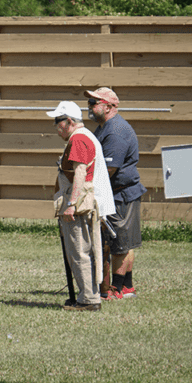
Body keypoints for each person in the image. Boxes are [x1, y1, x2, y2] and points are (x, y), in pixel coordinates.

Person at [49, 101, 115, 311]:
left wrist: (71, 204)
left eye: (58, 121)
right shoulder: (86, 136)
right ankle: (87, 296)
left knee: (79, 251)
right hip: (86, 202)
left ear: (69, 121)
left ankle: (88, 299)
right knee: (83, 250)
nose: (55, 126)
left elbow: (80, 173)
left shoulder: (78, 139)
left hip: (80, 205)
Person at [86, 87, 146, 300]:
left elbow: (109, 169)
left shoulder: (115, 131)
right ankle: (126, 286)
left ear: (109, 107)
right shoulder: (105, 127)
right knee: (125, 241)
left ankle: (116, 289)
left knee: (119, 244)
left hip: (121, 195)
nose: (89, 107)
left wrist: (87, 186)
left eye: (94, 103)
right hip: (122, 193)